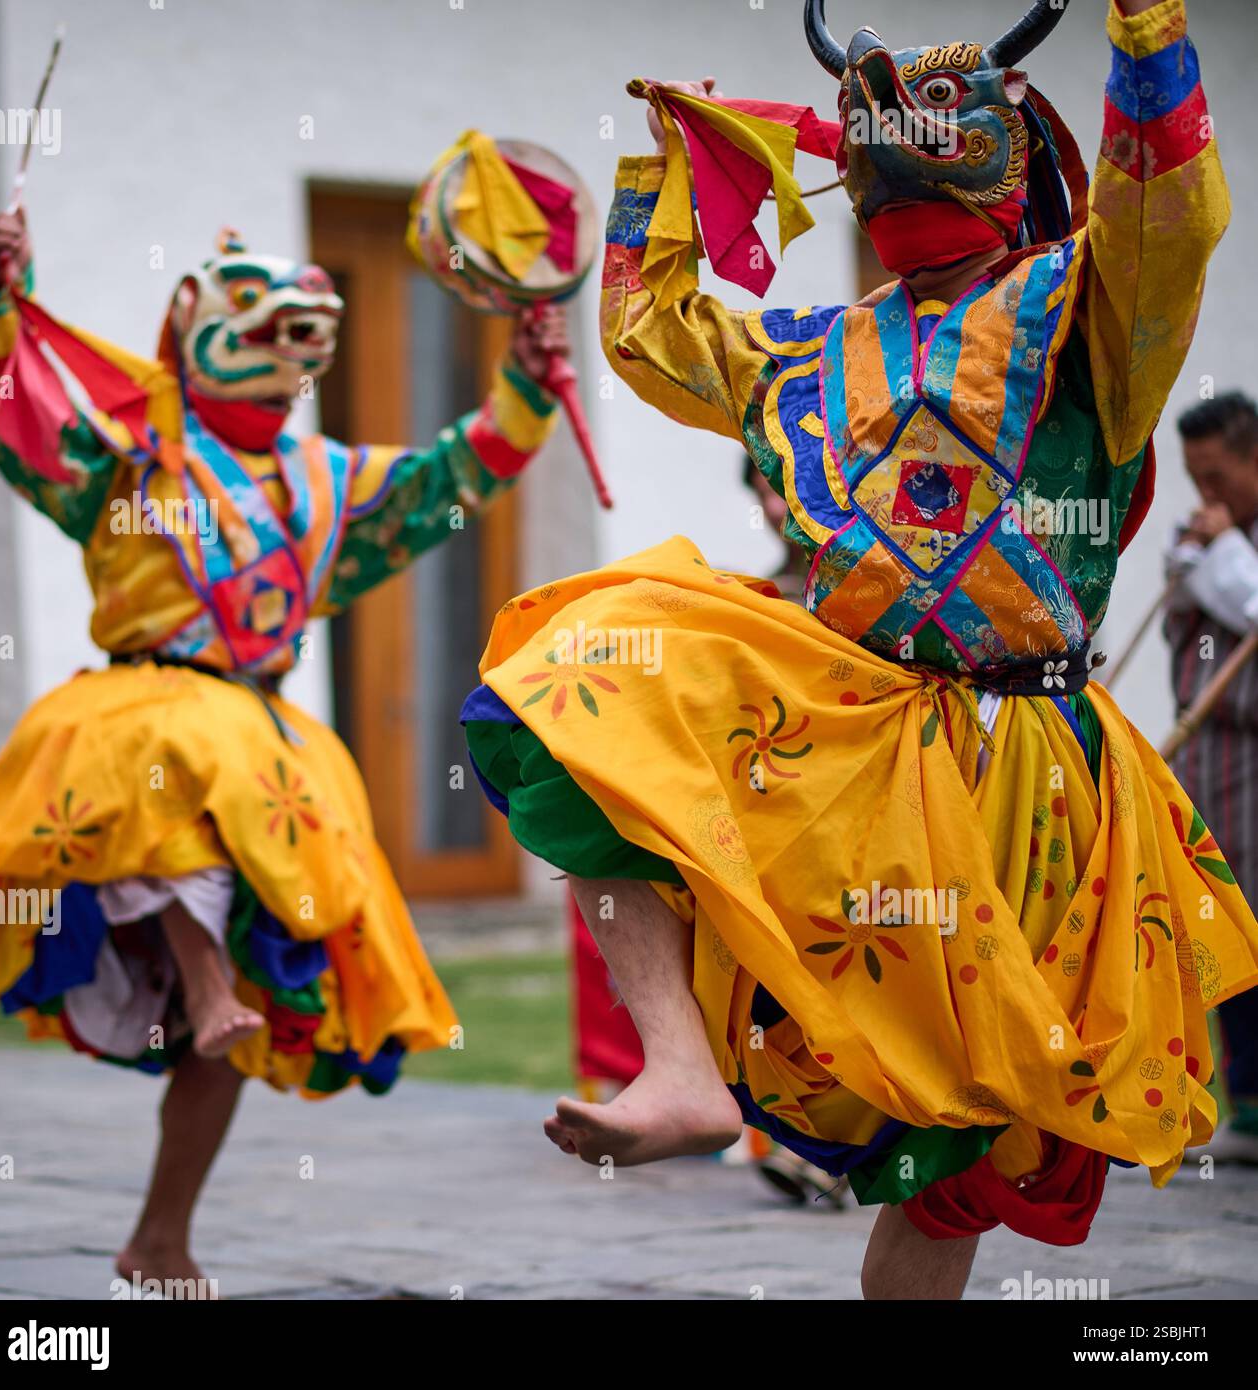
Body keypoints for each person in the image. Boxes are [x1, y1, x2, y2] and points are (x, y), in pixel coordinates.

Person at [462, 0, 1258, 1299]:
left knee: (960, 1170)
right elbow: (649, 329)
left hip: (1030, 782)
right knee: (569, 696)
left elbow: (1171, 207)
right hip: (858, 750)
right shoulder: (813, 350)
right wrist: (669, 163)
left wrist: (1149, 23)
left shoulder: (1088, 311)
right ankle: (677, 1065)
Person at [0, 210, 565, 1291]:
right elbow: (21, 421)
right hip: (140, 718)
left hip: (262, 742)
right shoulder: (128, 454)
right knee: (175, 765)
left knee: (234, 1020)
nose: (291, 377)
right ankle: (196, 969)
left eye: (304, 358)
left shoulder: (323, 480)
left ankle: (160, 1235)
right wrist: (1, 299)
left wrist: (521, 386)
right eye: (268, 347)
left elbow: (442, 484)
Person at [1165, 392, 1258, 1163]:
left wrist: (1222, 553)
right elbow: (1182, 607)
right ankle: (1248, 1106)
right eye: (1196, 479)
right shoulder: (1206, 532)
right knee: (1220, 927)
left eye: (1219, 475)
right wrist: (1197, 552)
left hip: (1252, 755)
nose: (1207, 495)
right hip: (1206, 759)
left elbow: (1250, 602)